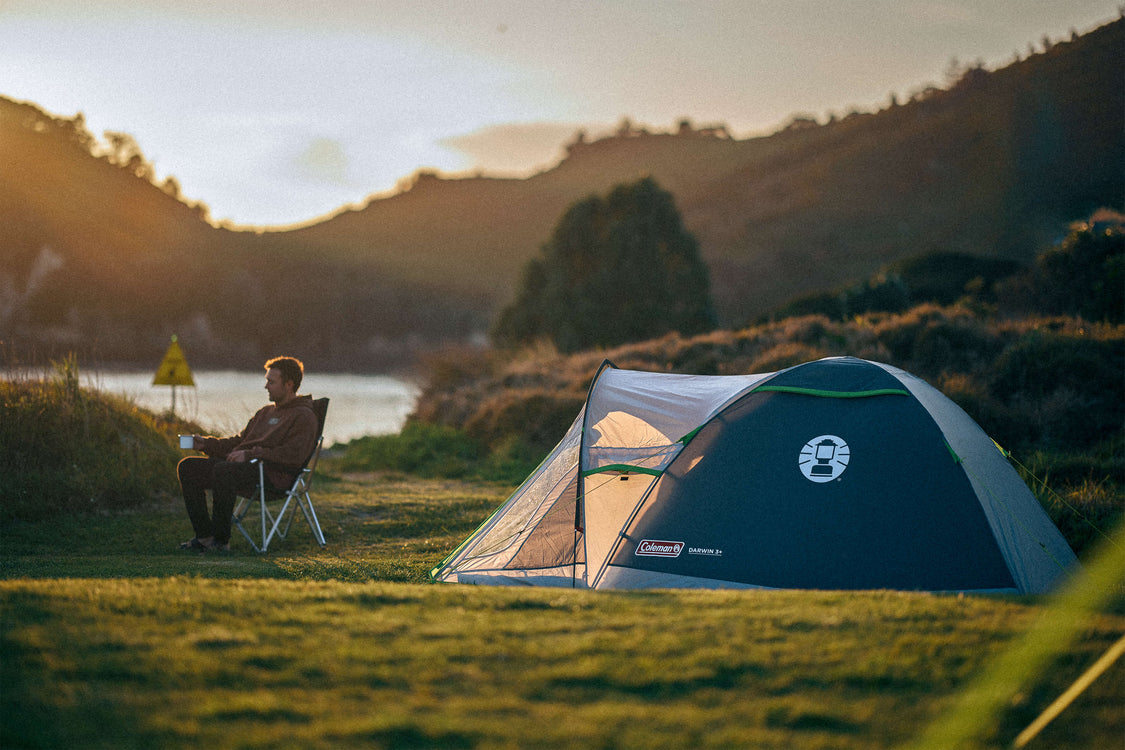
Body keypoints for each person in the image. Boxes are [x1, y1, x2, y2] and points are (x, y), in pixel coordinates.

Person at [177, 356, 318, 552]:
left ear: (289, 384)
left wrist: (253, 454)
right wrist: (206, 444)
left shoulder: (304, 416)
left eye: (271, 381)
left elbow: (292, 455)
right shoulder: (265, 413)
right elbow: (238, 442)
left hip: (272, 475)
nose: (266, 386)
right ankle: (204, 537)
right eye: (266, 380)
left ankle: (220, 541)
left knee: (224, 470)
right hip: (244, 468)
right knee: (188, 467)